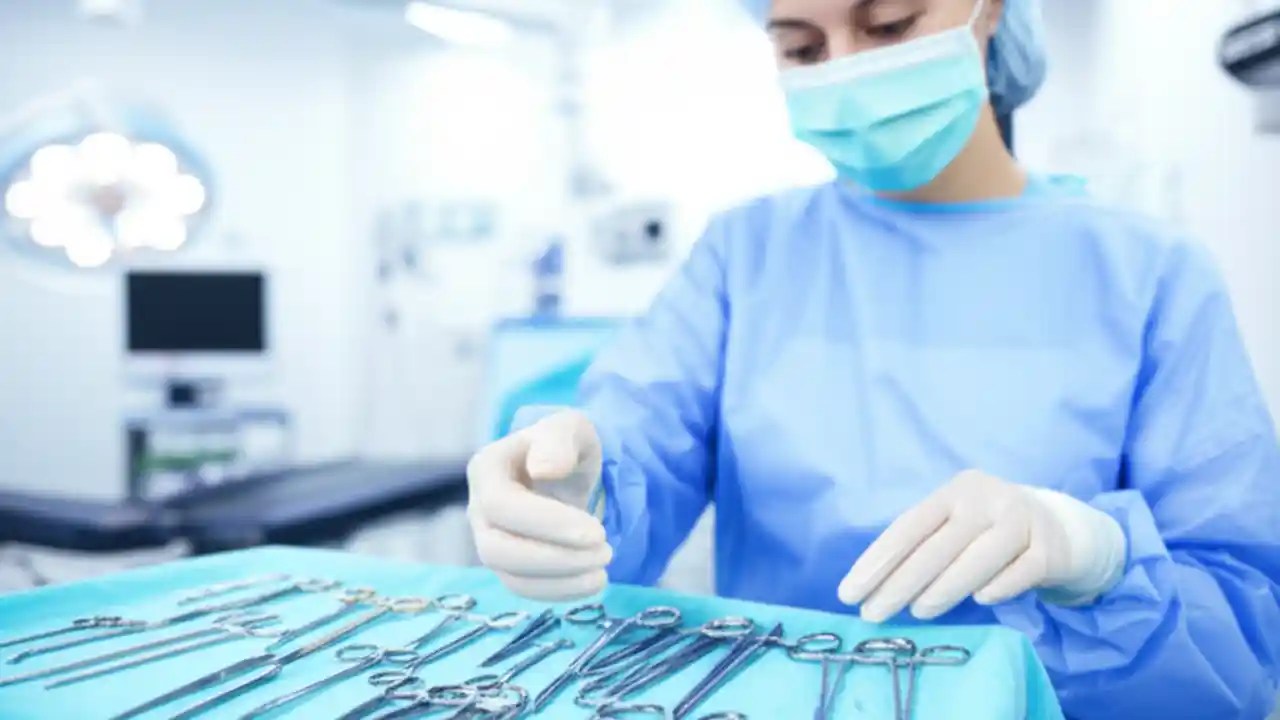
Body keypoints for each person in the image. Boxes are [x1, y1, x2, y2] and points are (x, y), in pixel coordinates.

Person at [464, 0, 1280, 717]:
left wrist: (1094, 560)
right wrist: (576, 492)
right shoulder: (747, 256)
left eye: (889, 24)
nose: (847, 74)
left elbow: (1241, 647)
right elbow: (637, 438)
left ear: (989, 12)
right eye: (802, 50)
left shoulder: (1148, 275)